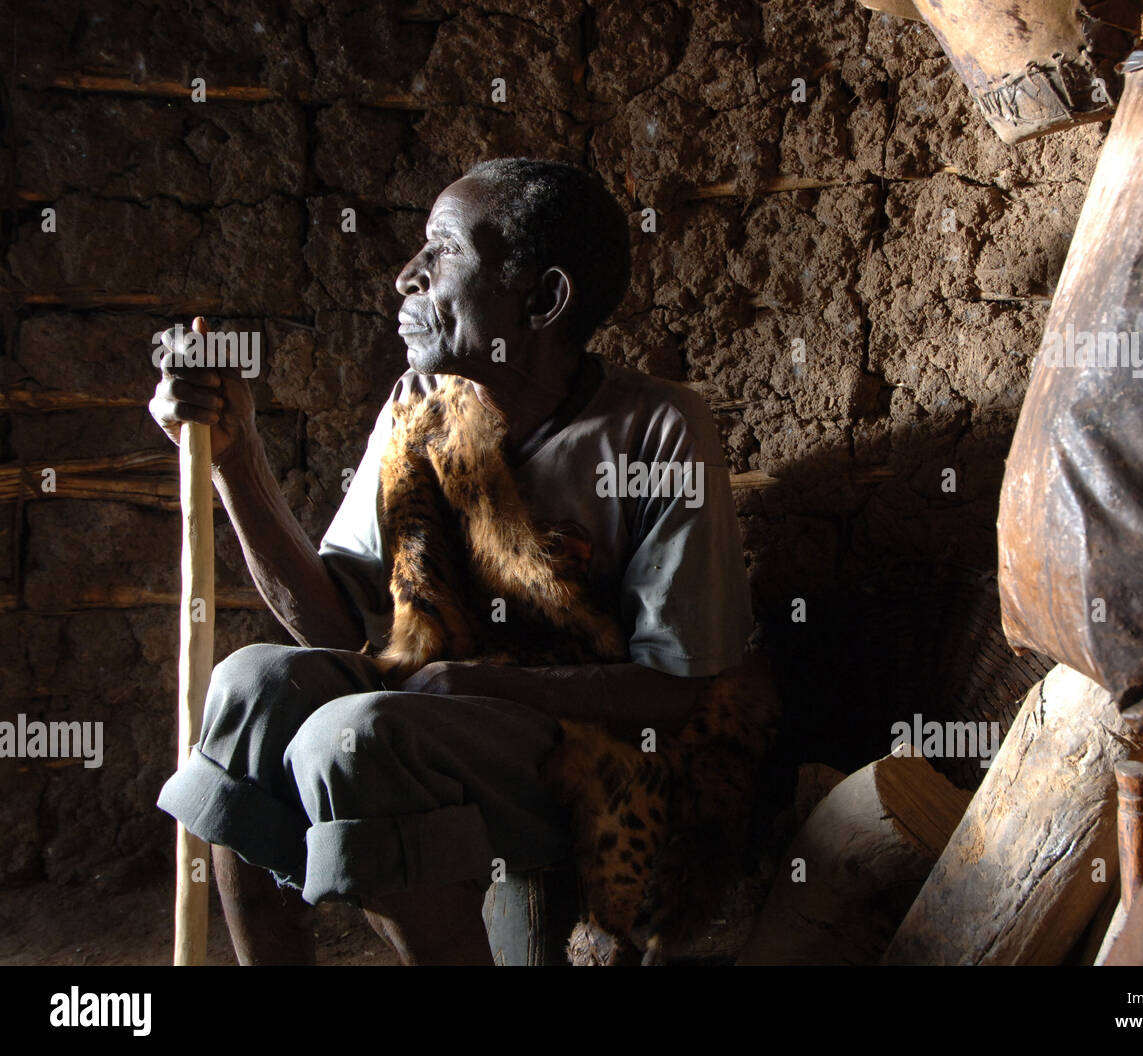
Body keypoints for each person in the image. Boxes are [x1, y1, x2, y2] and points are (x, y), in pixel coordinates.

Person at [150, 157, 753, 965]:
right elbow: (332, 622)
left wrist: (485, 683)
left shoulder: (657, 429)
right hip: (433, 713)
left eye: (442, 252)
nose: (407, 277)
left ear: (542, 300)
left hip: (597, 750)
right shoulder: (418, 406)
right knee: (251, 687)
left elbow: (679, 696)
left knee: (355, 737)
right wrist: (236, 460)